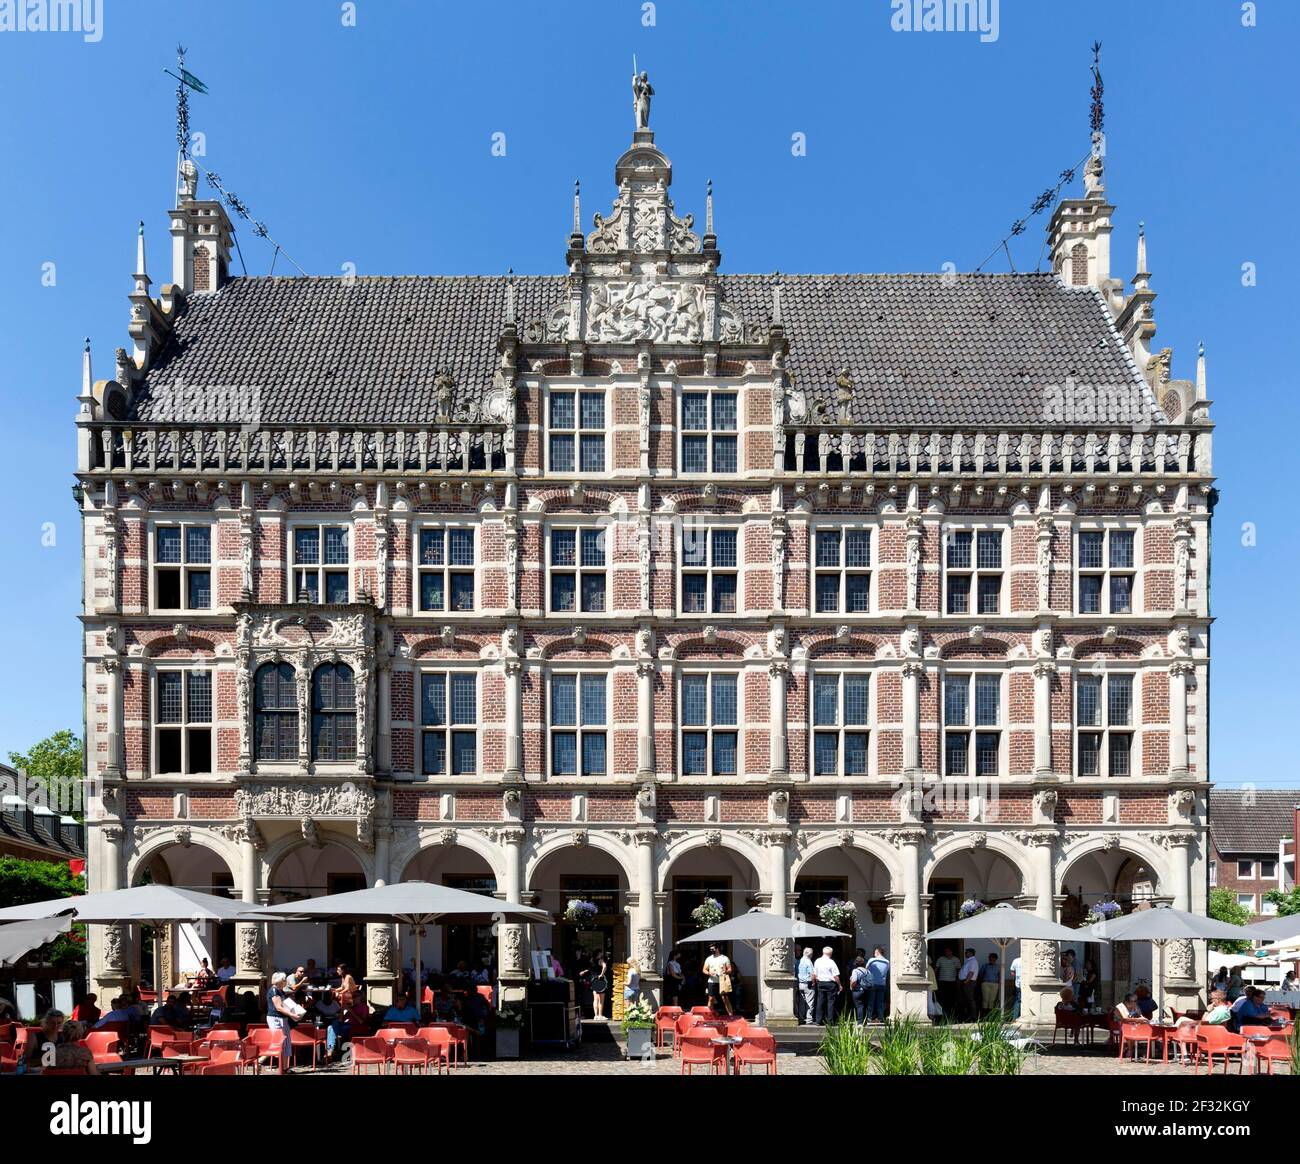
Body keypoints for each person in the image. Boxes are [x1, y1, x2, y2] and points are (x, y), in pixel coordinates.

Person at [265, 971, 298, 1072]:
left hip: (283, 1019)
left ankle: (285, 1067)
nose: (285, 982)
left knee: (286, 1043)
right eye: (284, 980)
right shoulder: (274, 991)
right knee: (280, 1043)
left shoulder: (280, 990)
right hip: (276, 1019)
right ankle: (267, 1060)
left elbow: (285, 1004)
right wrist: (292, 1015)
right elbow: (279, 1007)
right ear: (279, 981)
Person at [812, 946, 842, 1025]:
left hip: (821, 983)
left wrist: (816, 981)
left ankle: (818, 1020)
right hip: (830, 984)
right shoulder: (831, 962)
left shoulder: (817, 961)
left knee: (820, 1002)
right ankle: (830, 1021)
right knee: (830, 1003)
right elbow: (836, 976)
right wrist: (840, 985)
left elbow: (814, 974)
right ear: (830, 953)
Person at [934, 946, 961, 1019]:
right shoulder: (940, 959)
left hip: (952, 982)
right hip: (942, 981)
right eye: (945, 951)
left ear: (951, 952)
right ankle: (942, 1013)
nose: (946, 953)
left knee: (951, 998)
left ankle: (951, 1014)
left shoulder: (956, 960)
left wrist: (958, 981)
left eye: (948, 951)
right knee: (942, 998)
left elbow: (959, 971)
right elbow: (936, 970)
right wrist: (933, 979)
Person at [703, 944, 730, 1014]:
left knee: (725, 999)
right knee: (711, 999)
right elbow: (704, 970)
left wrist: (725, 971)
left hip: (722, 981)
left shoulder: (724, 958)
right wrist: (709, 973)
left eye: (713, 949)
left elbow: (730, 969)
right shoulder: (709, 959)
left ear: (717, 949)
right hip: (712, 981)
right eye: (710, 949)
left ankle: (731, 1015)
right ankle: (709, 1015)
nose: (711, 950)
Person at [866, 947, 890, 1023]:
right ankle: (880, 1017)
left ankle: (869, 1017)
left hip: (872, 983)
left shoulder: (872, 960)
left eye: (875, 952)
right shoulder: (887, 962)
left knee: (871, 1002)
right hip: (882, 983)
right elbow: (887, 973)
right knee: (880, 1002)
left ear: (877, 952)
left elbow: (866, 970)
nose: (874, 954)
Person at [959, 947, 980, 1020]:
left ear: (971, 953)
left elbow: (971, 972)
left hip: (969, 982)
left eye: (966, 952)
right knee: (966, 999)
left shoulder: (973, 961)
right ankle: (967, 1015)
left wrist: (965, 981)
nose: (965, 954)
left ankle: (973, 1016)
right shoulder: (969, 961)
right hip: (966, 981)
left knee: (970, 999)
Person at [849, 955, 870, 1023]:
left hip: (858, 990)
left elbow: (854, 981)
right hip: (866, 990)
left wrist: (852, 987)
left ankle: (860, 1022)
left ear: (856, 963)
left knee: (859, 1006)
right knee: (865, 1005)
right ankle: (865, 1020)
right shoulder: (867, 971)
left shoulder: (855, 971)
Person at [797, 947, 816, 1025]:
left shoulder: (799, 961)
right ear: (810, 954)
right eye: (812, 954)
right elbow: (812, 974)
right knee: (810, 1003)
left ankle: (801, 1018)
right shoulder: (808, 961)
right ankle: (809, 1020)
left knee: (802, 1003)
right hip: (808, 984)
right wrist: (813, 982)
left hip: (800, 984)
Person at [590, 952, 609, 1020]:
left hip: (594, 980)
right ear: (599, 954)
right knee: (601, 999)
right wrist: (602, 974)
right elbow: (605, 966)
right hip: (600, 981)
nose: (602, 954)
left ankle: (596, 1015)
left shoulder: (592, 961)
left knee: (595, 999)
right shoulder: (601, 960)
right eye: (601, 953)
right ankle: (600, 1015)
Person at [1009, 954, 1023, 1019]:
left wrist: (1017, 976)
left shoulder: (1016, 960)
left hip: (1018, 984)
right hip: (1027, 985)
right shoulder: (1030, 960)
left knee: (1018, 1000)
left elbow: (1012, 972)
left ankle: (1015, 1018)